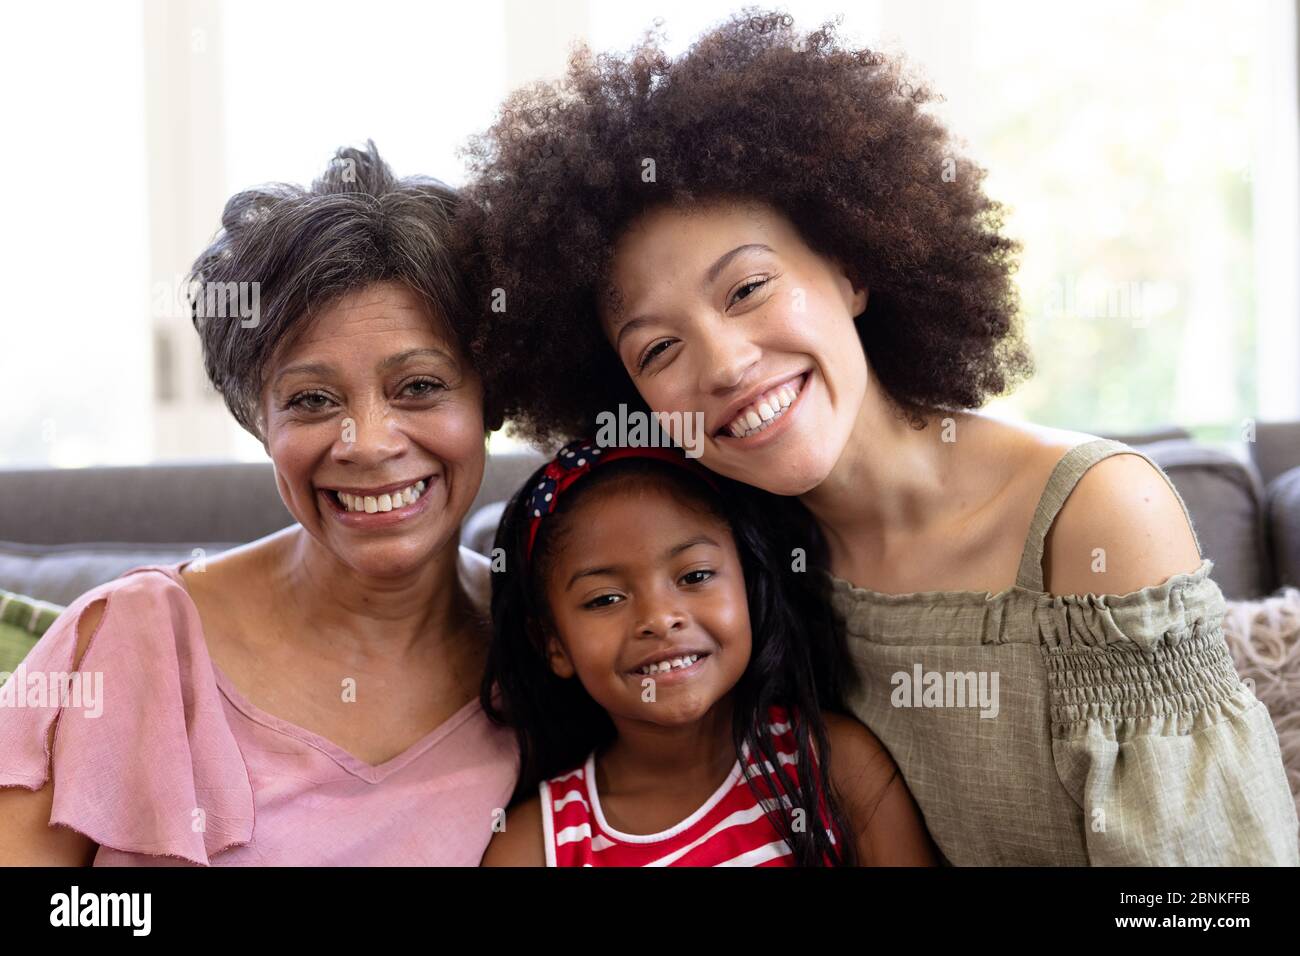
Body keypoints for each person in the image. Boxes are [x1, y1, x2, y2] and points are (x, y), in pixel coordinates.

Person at [458, 12, 1300, 864]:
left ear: (854, 266)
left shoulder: (1095, 517)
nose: (723, 363)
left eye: (748, 287)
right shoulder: (744, 566)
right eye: (659, 348)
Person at [0, 142, 517, 865]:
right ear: (260, 421)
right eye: (311, 399)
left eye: (420, 386)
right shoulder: (127, 637)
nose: (366, 443)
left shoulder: (560, 645)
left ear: (489, 399)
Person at [479, 438, 937, 866]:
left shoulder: (834, 766)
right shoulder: (535, 846)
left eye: (695, 576)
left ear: (748, 583)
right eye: (605, 599)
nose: (659, 618)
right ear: (553, 644)